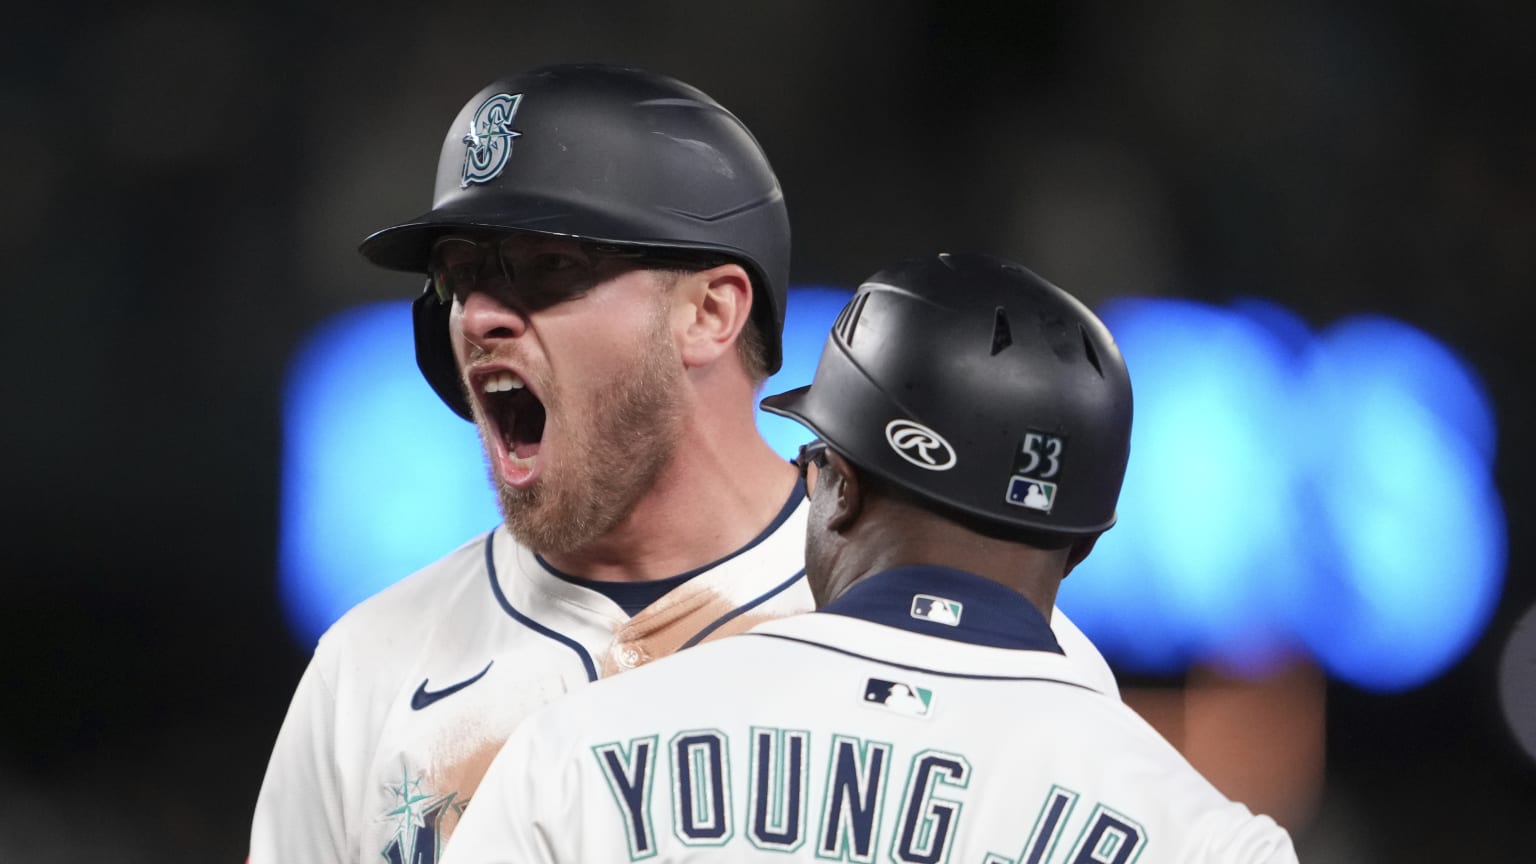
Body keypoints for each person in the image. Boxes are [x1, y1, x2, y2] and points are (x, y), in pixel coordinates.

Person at [249, 64, 1119, 864]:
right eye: (460, 276)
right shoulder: (369, 669)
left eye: (548, 267)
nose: (479, 317)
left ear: (710, 312)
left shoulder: (999, 658)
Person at [441, 253, 1299, 863]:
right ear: (1083, 541)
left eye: (812, 463)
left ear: (838, 488)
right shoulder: (1210, 839)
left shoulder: (583, 751)